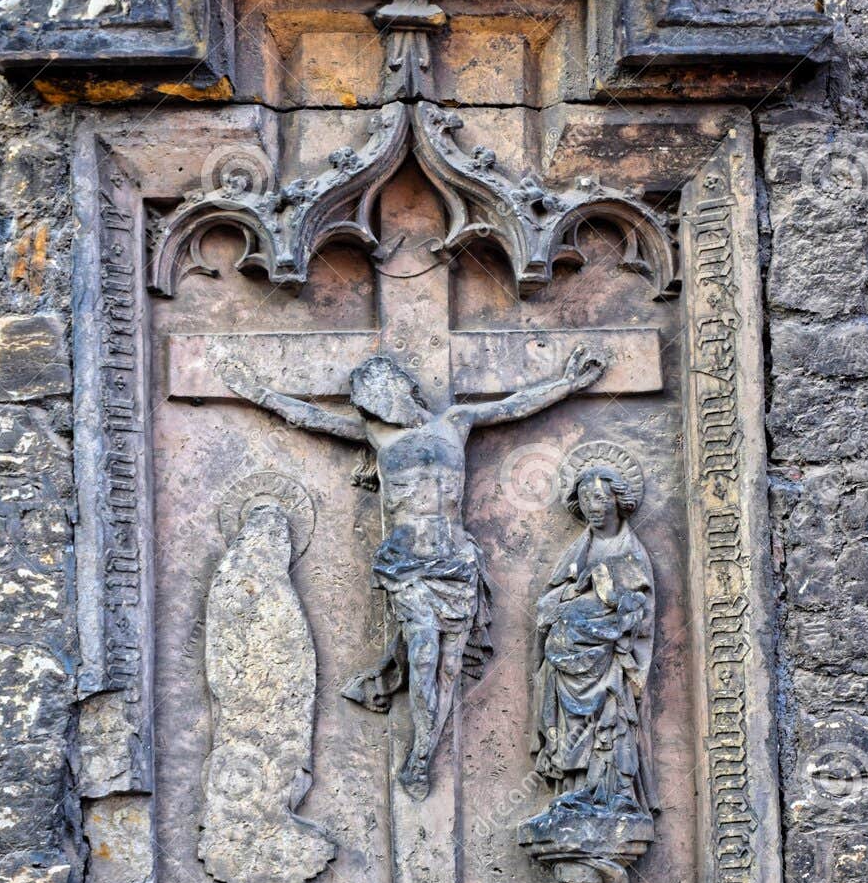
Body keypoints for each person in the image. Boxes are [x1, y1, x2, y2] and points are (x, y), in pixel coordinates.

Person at [224, 346, 604, 798]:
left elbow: (512, 406)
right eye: (366, 401)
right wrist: (257, 393)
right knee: (424, 654)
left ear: (401, 388)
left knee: (447, 666)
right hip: (407, 566)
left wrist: (569, 384)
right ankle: (420, 758)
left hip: (456, 562)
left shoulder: (455, 423)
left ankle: (424, 749)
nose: (370, 405)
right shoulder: (377, 437)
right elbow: (309, 418)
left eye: (375, 394)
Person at [531, 447, 657, 818]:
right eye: (586, 498)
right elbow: (550, 600)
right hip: (568, 662)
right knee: (572, 726)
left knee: (612, 719)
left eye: (601, 497)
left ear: (619, 499)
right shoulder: (576, 551)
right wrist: (569, 597)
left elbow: (640, 612)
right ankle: (577, 790)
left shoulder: (631, 551)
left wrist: (604, 599)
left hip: (609, 658)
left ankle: (616, 794)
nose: (593, 505)